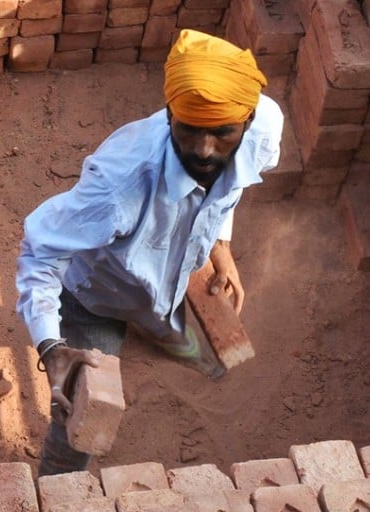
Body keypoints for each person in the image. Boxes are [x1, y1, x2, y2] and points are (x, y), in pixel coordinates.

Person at [15, 29, 284, 477]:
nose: (203, 150)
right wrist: (50, 345)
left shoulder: (264, 130)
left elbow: (226, 189)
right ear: (170, 115)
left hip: (168, 286)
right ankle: (52, 500)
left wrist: (221, 249)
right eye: (188, 130)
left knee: (183, 334)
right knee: (80, 421)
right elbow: (40, 251)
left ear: (249, 119)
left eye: (223, 134)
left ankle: (162, 330)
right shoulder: (119, 184)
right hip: (94, 299)